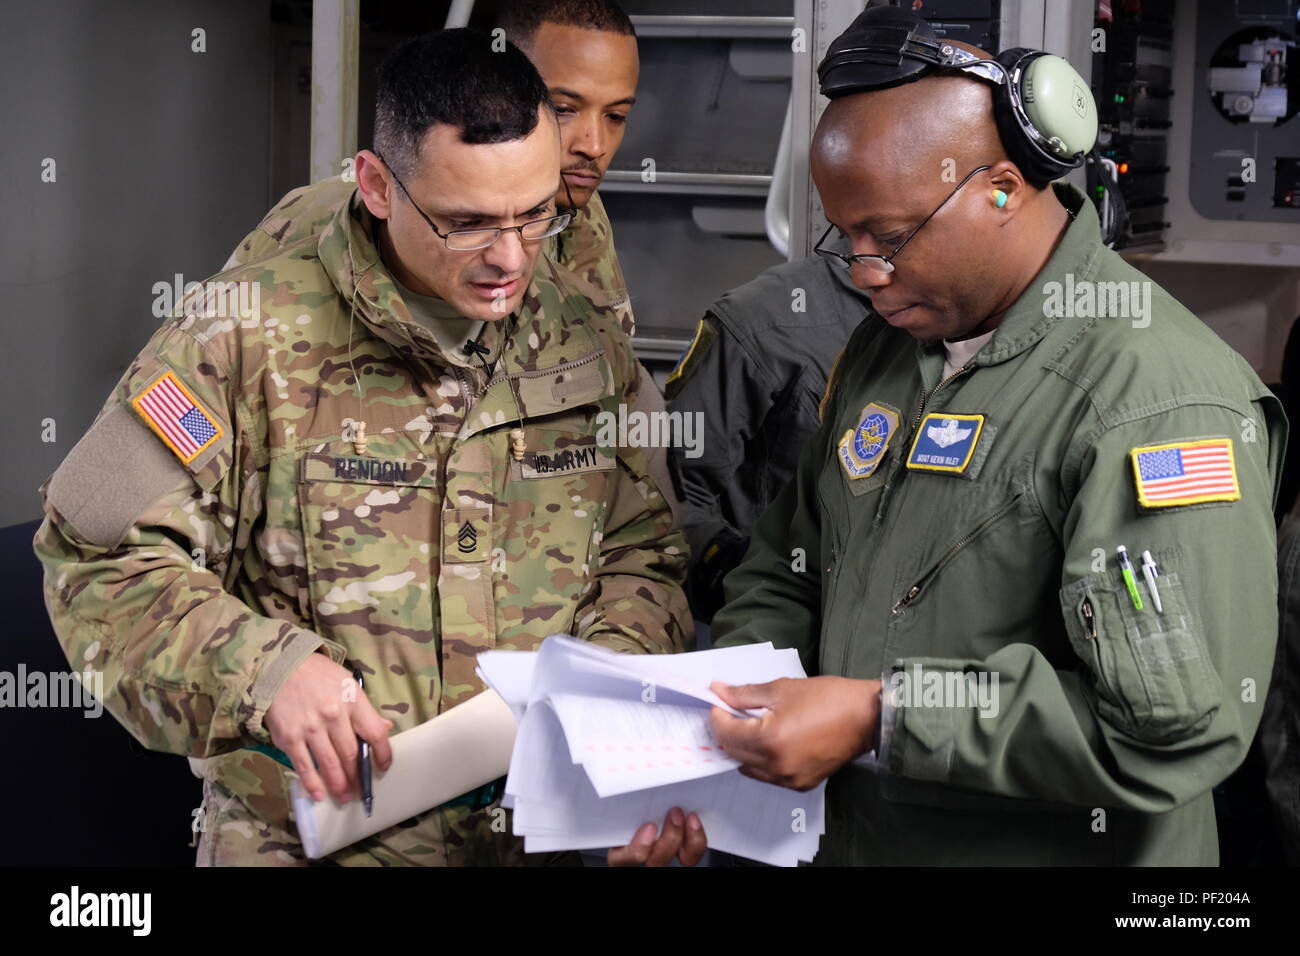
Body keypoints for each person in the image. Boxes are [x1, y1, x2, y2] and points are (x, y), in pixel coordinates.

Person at [33, 28, 692, 867]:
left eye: (536, 215)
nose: (510, 258)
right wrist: (267, 673)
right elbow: (95, 560)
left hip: (536, 841)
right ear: (377, 187)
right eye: (467, 223)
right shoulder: (245, 333)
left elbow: (643, 550)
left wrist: (610, 692)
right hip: (307, 843)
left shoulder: (581, 329)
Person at [705, 7, 1286, 865]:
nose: (866, 276)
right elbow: (791, 558)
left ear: (1004, 189)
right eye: (847, 240)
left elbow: (1173, 731)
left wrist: (882, 716)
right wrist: (739, 692)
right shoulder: (889, 350)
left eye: (892, 239)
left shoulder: (1156, 401)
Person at [227, 0, 639, 338]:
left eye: (616, 115)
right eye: (563, 109)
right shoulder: (318, 223)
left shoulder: (585, 217)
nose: (594, 146)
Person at [664, 255, 871, 623]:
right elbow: (673, 487)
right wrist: (746, 586)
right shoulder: (765, 321)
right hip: (787, 623)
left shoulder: (989, 325)